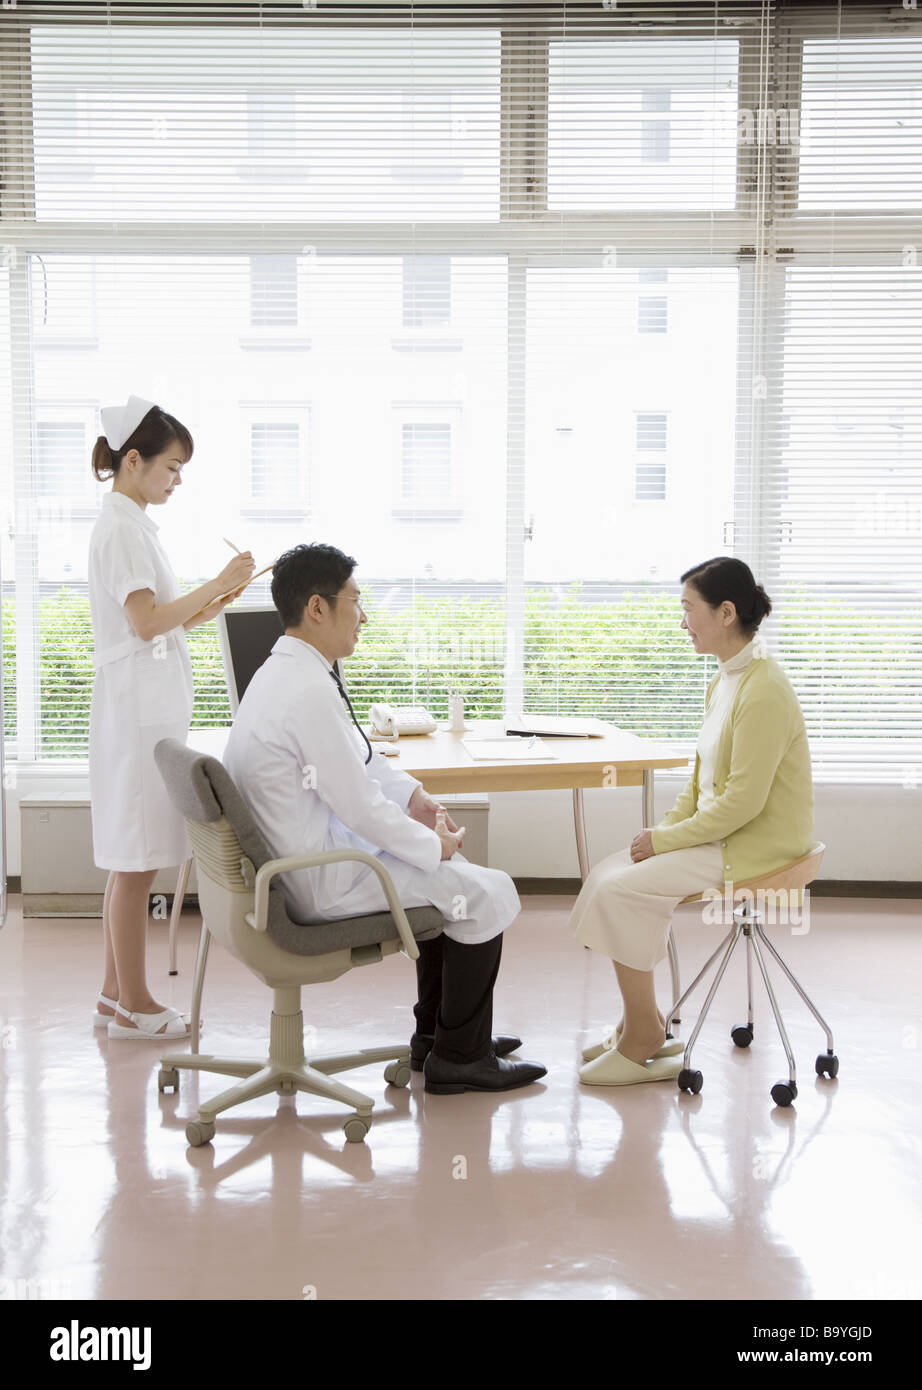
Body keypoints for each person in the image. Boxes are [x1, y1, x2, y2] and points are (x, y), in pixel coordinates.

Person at [222, 542, 546, 1095]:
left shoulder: (287, 674)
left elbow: (358, 763)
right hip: (321, 881)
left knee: (458, 884)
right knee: (485, 892)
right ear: (319, 608)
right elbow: (359, 804)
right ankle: (460, 1058)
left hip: (305, 864)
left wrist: (415, 799)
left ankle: (440, 1041)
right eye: (356, 600)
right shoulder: (305, 689)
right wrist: (431, 847)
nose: (364, 615)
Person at [571, 556, 814, 1086]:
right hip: (724, 834)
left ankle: (642, 1039)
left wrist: (664, 840)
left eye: (689, 608)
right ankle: (644, 1022)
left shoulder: (764, 688)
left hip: (755, 845)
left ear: (725, 612)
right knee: (607, 875)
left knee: (621, 891)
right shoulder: (724, 681)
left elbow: (742, 804)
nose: (682, 621)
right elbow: (701, 784)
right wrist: (660, 834)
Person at [88, 395, 254, 1039]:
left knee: (130, 859)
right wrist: (214, 584)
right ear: (134, 460)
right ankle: (136, 1003)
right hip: (136, 717)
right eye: (172, 467)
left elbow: (160, 620)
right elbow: (145, 621)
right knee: (135, 865)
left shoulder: (130, 524)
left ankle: (113, 993)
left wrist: (212, 603)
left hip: (143, 712)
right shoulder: (123, 529)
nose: (177, 480)